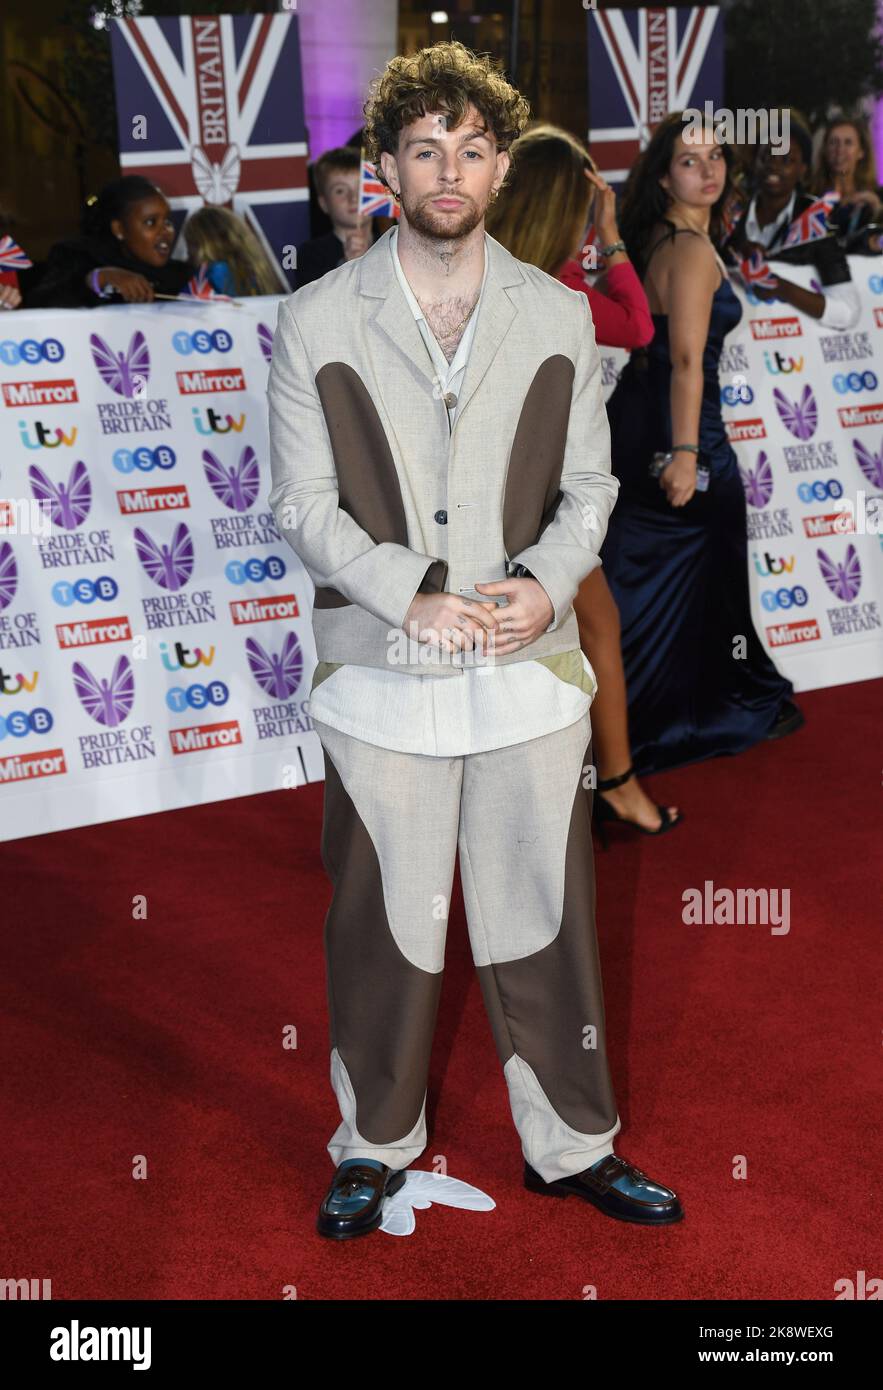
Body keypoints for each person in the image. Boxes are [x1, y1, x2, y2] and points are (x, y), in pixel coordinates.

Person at [268, 39, 684, 1240]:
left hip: (526, 673)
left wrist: (547, 589)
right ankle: (372, 1145)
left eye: (470, 148)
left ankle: (571, 1144)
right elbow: (301, 505)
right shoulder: (313, 320)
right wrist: (415, 595)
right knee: (381, 924)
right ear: (387, 167)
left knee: (541, 916)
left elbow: (590, 493)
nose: (447, 169)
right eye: (423, 148)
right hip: (382, 671)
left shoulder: (557, 310)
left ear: (501, 168)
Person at [487, 124, 681, 835]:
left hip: (481, 495)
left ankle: (592, 789)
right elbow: (637, 327)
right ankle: (614, 786)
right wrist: (612, 235)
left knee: (560, 635)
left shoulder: (479, 272)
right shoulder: (560, 289)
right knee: (591, 629)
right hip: (542, 500)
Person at [602, 112, 802, 776]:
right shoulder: (686, 251)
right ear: (663, 175)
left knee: (645, 579)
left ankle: (617, 721)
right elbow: (686, 362)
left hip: (638, 425)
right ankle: (686, 711)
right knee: (704, 576)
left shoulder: (658, 239)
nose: (709, 169)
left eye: (715, 156)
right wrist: (686, 457)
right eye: (690, 161)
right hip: (683, 432)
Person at [724, 117, 861, 327]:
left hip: (795, 353)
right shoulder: (728, 212)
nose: (774, 166)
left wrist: (781, 288)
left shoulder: (816, 221)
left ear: (802, 169)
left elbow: (847, 312)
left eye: (786, 160)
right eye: (767, 157)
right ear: (754, 162)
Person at [24, 176, 194, 308]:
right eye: (151, 222)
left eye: (167, 221)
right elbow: (39, 304)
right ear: (119, 229)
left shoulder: (181, 276)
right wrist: (98, 279)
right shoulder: (79, 256)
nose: (166, 231)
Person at [295, 146, 380, 287]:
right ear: (324, 204)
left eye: (362, 188)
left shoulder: (393, 245)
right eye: (340, 191)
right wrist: (347, 266)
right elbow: (315, 303)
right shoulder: (311, 255)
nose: (353, 198)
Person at [813, 113, 883, 252]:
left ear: (861, 152)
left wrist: (878, 211)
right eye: (833, 142)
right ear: (825, 150)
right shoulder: (811, 196)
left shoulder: (877, 198)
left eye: (848, 143)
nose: (840, 150)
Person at [183, 205, 287, 296]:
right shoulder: (257, 270)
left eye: (190, 244)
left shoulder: (215, 272)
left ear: (201, 244)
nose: (188, 253)